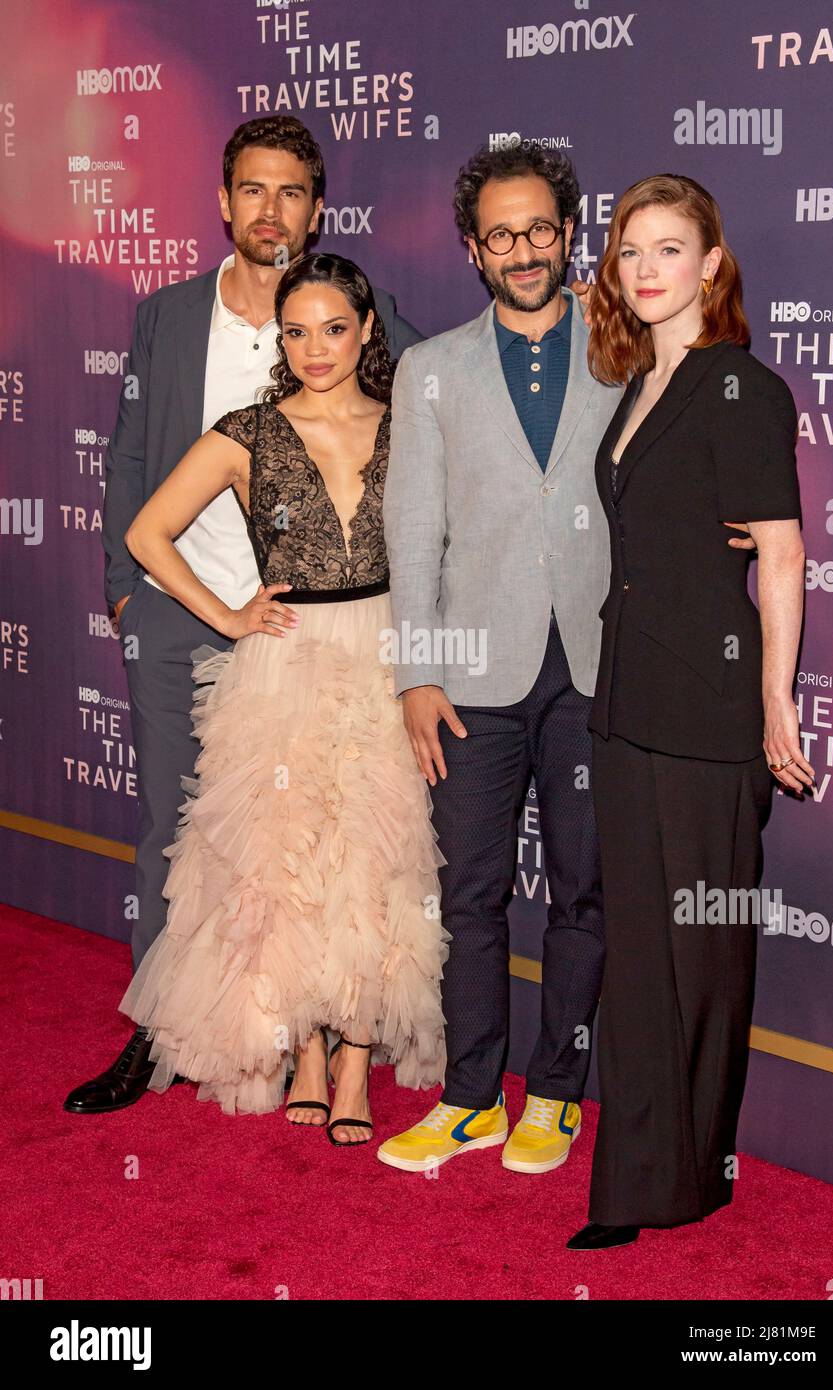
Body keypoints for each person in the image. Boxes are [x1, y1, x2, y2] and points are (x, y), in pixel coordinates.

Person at [65, 116, 422, 1117]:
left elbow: (441, 404)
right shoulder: (168, 317)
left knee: (310, 838)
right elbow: (131, 466)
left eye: (292, 191)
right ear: (224, 203)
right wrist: (130, 594)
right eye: (252, 190)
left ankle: (283, 1032)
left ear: (317, 208)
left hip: (314, 628)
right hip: (185, 614)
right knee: (176, 831)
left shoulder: (363, 308)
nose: (271, 209)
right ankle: (158, 1035)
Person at [112, 253, 448, 1145]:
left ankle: (355, 1061)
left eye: (334, 328)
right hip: (285, 658)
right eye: (294, 332)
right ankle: (303, 1046)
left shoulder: (409, 422)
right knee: (288, 864)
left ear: (369, 331)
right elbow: (148, 531)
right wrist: (224, 611)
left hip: (383, 655)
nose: (314, 348)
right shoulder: (246, 431)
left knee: (374, 862)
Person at [566, 174, 811, 1250]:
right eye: (630, 252)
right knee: (638, 945)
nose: (648, 268)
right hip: (625, 701)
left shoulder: (738, 387)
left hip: (708, 707)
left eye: (670, 248)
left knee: (697, 952)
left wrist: (773, 702)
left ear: (711, 262)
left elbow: (783, 549)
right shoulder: (639, 383)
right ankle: (639, 1175)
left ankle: (682, 1177)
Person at [376, 142, 617, 1176]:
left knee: (585, 890)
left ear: (569, 232)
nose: (523, 249)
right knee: (468, 892)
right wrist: (416, 674)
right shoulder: (429, 371)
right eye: (500, 233)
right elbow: (412, 529)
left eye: (539, 229)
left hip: (602, 664)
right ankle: (471, 1095)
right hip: (470, 673)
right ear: (472, 248)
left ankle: (554, 1091)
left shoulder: (626, 351)